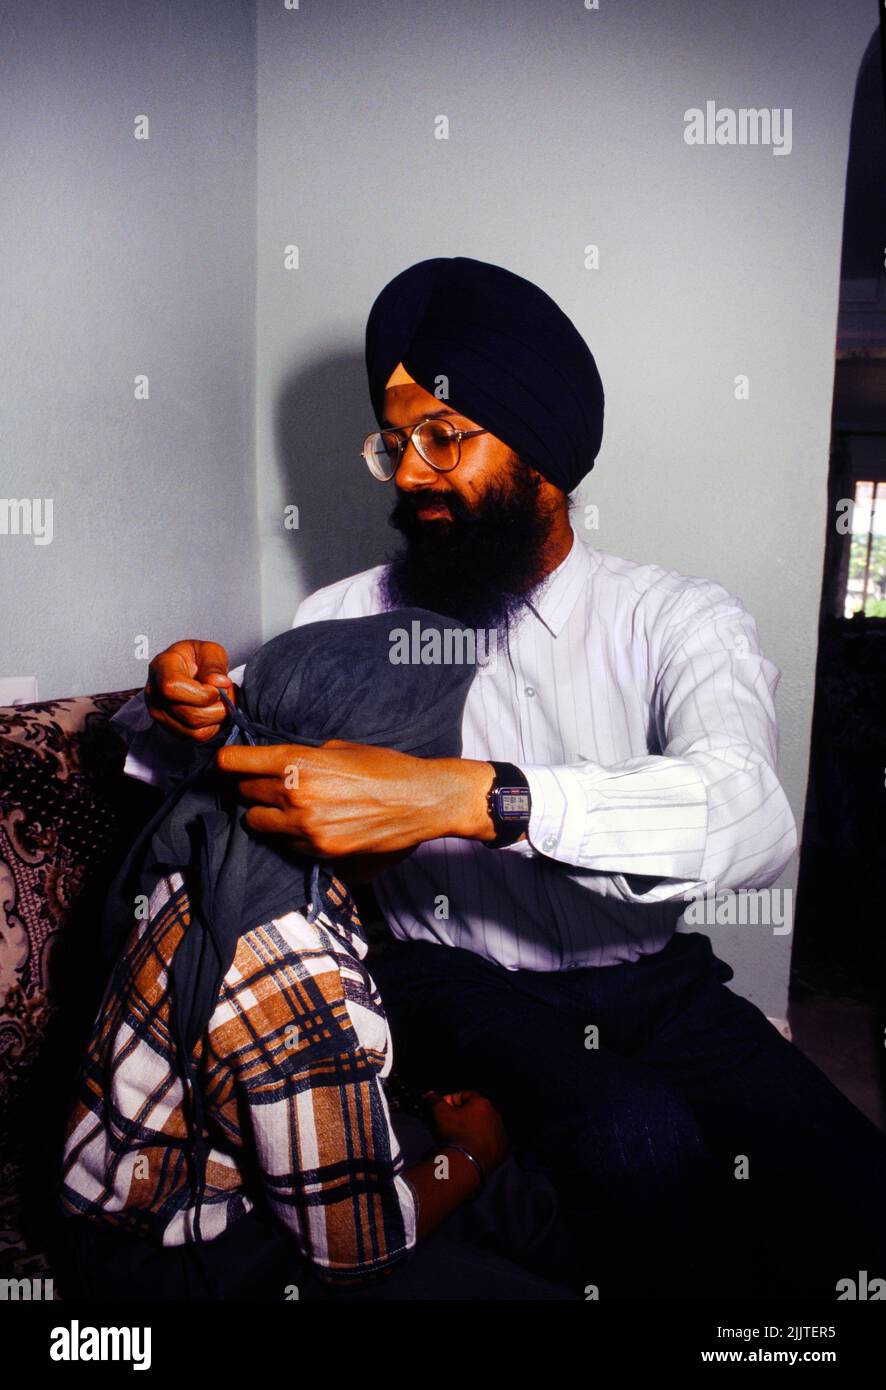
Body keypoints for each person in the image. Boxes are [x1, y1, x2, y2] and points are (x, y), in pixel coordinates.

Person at [115, 255, 886, 1299]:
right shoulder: (344, 619)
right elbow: (184, 753)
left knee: (848, 1186)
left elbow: (748, 812)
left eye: (445, 435)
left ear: (546, 454)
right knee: (636, 1137)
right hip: (451, 983)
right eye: (395, 444)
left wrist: (472, 797)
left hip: (651, 977)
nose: (412, 472)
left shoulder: (675, 618)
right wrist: (174, 702)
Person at [53, 611, 578, 1301]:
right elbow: (359, 1248)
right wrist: (470, 1157)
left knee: (530, 1206)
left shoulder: (209, 839)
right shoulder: (293, 965)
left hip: (193, 1184)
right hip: (168, 1258)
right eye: (431, 775)